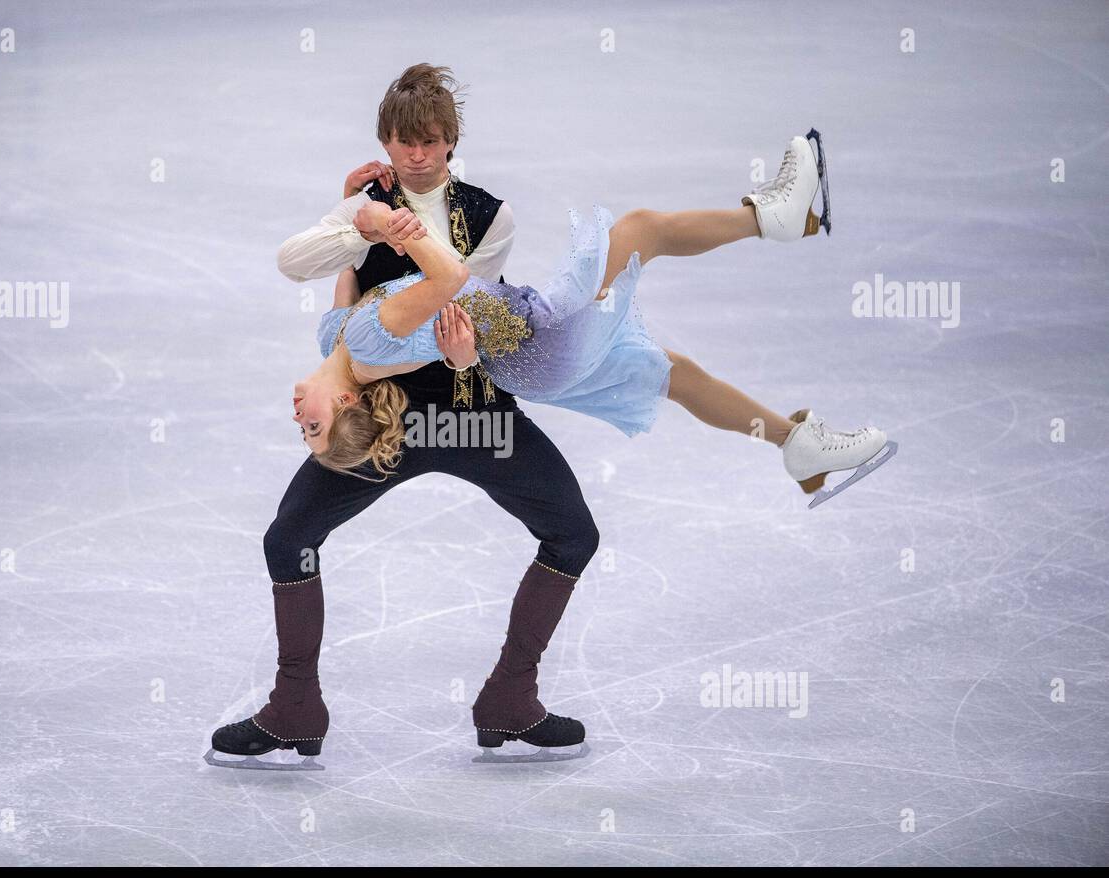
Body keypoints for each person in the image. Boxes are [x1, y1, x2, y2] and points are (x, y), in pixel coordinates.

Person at [209, 64, 602, 766]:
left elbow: (462, 311)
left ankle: (511, 696)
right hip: (385, 418)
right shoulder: (367, 203)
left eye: (428, 141)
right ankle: (295, 704)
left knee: (573, 533)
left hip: (469, 411)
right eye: (400, 141)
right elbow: (295, 263)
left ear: (451, 141)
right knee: (289, 538)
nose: (415, 155)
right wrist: (354, 222)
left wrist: (375, 235)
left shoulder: (490, 216)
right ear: (385, 143)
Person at [294, 130, 895, 512]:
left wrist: (350, 203)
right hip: (537, 342)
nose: (301, 421)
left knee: (673, 375)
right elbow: (447, 278)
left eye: (305, 431)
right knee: (641, 231)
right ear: (347, 400)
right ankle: (774, 217)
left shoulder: (337, 339)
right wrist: (379, 213)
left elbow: (351, 259)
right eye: (316, 429)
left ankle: (798, 447)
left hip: (530, 356)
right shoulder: (368, 344)